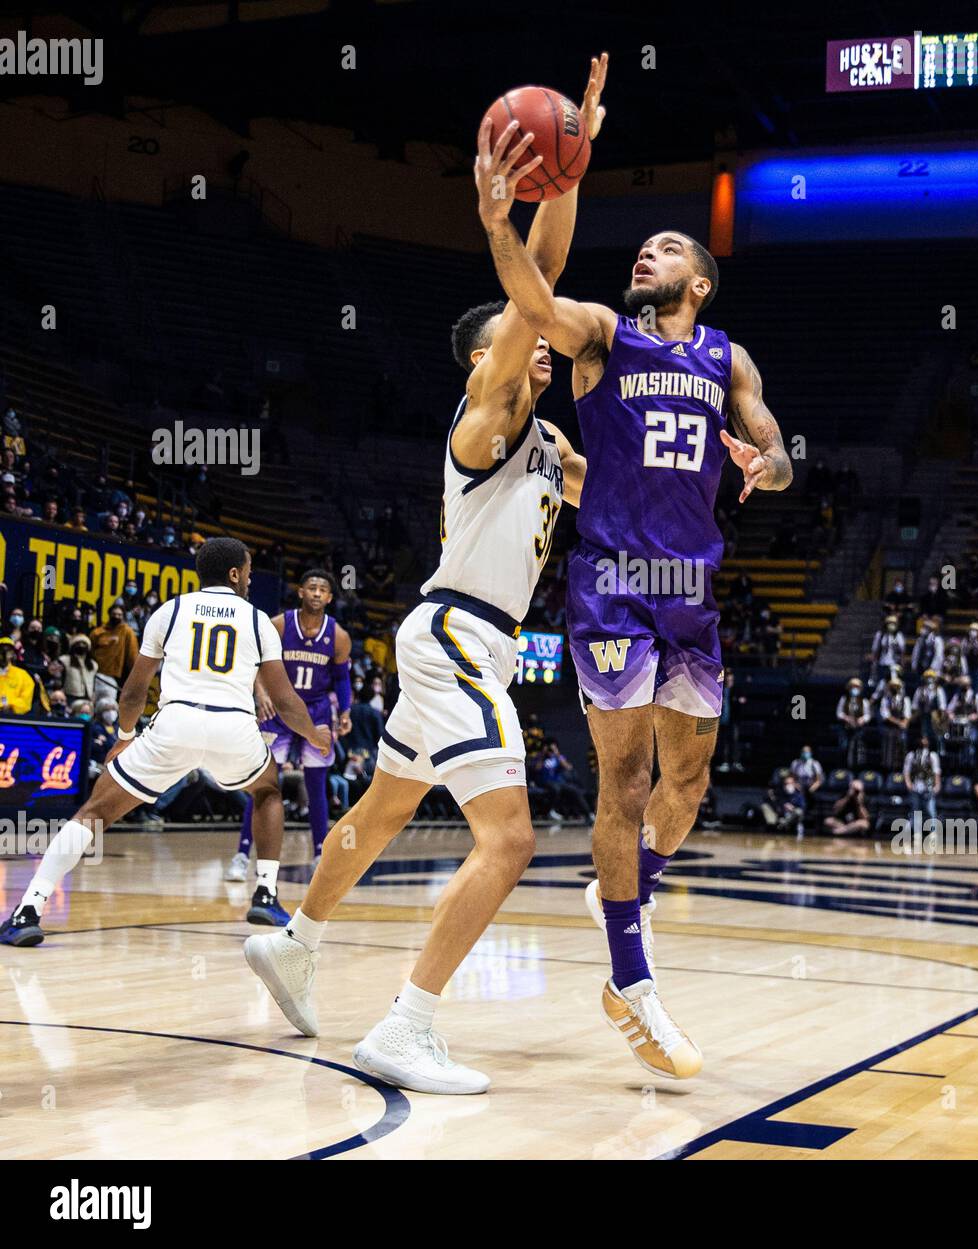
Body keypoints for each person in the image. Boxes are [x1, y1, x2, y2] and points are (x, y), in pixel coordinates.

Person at [242, 62, 598, 1098]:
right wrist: (513, 216)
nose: (537, 343)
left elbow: (609, 482)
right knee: (514, 836)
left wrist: (572, 160)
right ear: (484, 361)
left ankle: (297, 937)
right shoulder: (486, 418)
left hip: (457, 635)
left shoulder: (551, 447)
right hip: (456, 634)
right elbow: (533, 284)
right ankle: (407, 1023)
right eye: (517, 338)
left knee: (386, 807)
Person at [478, 62, 792, 1081]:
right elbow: (527, 295)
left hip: (691, 592)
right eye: (645, 243)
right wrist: (502, 217)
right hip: (612, 583)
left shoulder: (726, 358)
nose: (646, 252)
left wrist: (767, 464)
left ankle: (630, 887)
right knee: (624, 777)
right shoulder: (601, 338)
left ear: (697, 282)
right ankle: (629, 977)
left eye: (667, 248)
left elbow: (775, 446)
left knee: (687, 783)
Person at [1, 538, 330, 947]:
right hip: (234, 728)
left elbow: (134, 691)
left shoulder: (169, 611)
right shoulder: (259, 619)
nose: (249, 577)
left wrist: (123, 738)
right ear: (234, 574)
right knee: (267, 791)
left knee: (95, 811)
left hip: (175, 724)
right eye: (247, 570)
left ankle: (28, 909)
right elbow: (284, 701)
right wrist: (315, 735)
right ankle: (265, 892)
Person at [226, 570, 354, 883]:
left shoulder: (338, 635)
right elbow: (253, 661)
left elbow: (341, 678)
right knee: (264, 782)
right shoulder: (279, 624)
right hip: (280, 707)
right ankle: (242, 854)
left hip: (317, 711)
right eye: (311, 587)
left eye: (322, 589)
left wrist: (346, 712)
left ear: (329, 598)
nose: (316, 593)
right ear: (300, 591)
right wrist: (262, 692)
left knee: (316, 785)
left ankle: (321, 853)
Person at [89, 602, 138, 701]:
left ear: (123, 616)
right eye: (114, 614)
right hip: (97, 675)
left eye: (119, 615)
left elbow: (132, 656)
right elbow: (90, 652)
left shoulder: (127, 632)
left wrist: (134, 676)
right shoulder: (98, 632)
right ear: (109, 614)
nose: (116, 616)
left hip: (116, 677)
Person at [835, 677, 869, 770]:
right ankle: (843, 768)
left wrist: (862, 719)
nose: (855, 689)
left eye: (857, 687)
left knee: (858, 750)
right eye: (853, 686)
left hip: (858, 729)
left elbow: (867, 715)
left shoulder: (864, 701)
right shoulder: (844, 699)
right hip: (846, 728)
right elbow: (839, 713)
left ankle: (857, 769)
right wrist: (846, 718)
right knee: (844, 747)